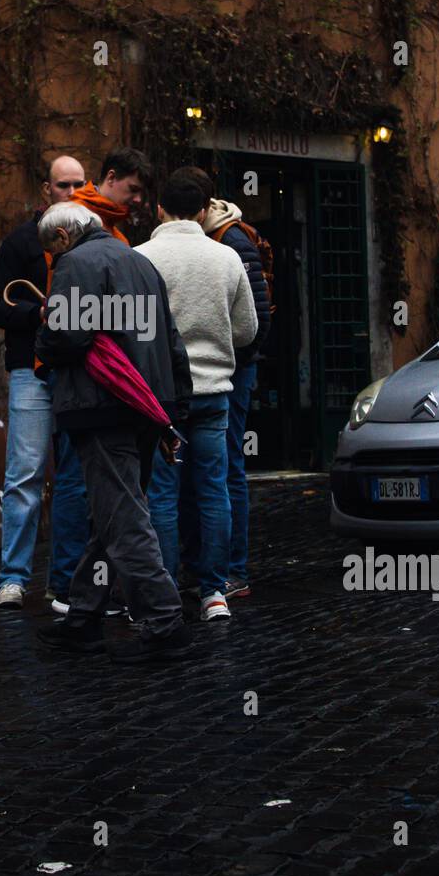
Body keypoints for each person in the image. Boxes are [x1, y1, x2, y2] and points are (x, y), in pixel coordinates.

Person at [34, 202, 194, 664]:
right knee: (112, 516)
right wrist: (175, 404)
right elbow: (171, 337)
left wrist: (40, 335)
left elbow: (66, 336)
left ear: (64, 236)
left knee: (122, 520)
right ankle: (84, 619)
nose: (50, 260)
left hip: (101, 407)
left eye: (51, 250)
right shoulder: (139, 261)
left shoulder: (76, 264)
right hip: (146, 406)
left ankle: (165, 623)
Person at [136, 169, 257, 622]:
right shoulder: (226, 258)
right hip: (212, 393)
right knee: (213, 490)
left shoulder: (141, 257)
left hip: (159, 397)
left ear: (159, 208)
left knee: (162, 495)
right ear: (205, 210)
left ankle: (165, 589)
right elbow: (247, 331)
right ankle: (214, 592)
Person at [0, 156, 90, 609]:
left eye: (79, 185)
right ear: (47, 190)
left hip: (78, 372)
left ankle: (64, 583)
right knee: (24, 474)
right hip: (31, 370)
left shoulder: (92, 243)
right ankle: (13, 577)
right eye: (63, 185)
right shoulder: (23, 240)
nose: (71, 192)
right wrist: (38, 313)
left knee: (74, 476)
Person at [184, 167, 272, 599]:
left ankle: (232, 569)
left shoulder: (232, 241)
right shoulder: (213, 238)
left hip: (231, 371)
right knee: (215, 469)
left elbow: (257, 321)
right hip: (221, 370)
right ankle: (211, 568)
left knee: (228, 467)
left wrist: (229, 359)